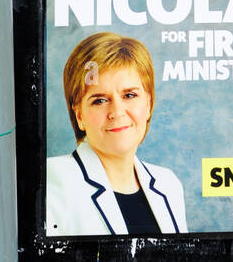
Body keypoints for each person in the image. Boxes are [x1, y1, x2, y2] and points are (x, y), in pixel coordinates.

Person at [46, 32, 187, 236]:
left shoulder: (168, 184)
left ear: (148, 104)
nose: (117, 112)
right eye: (100, 100)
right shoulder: (52, 181)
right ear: (79, 116)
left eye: (130, 95)